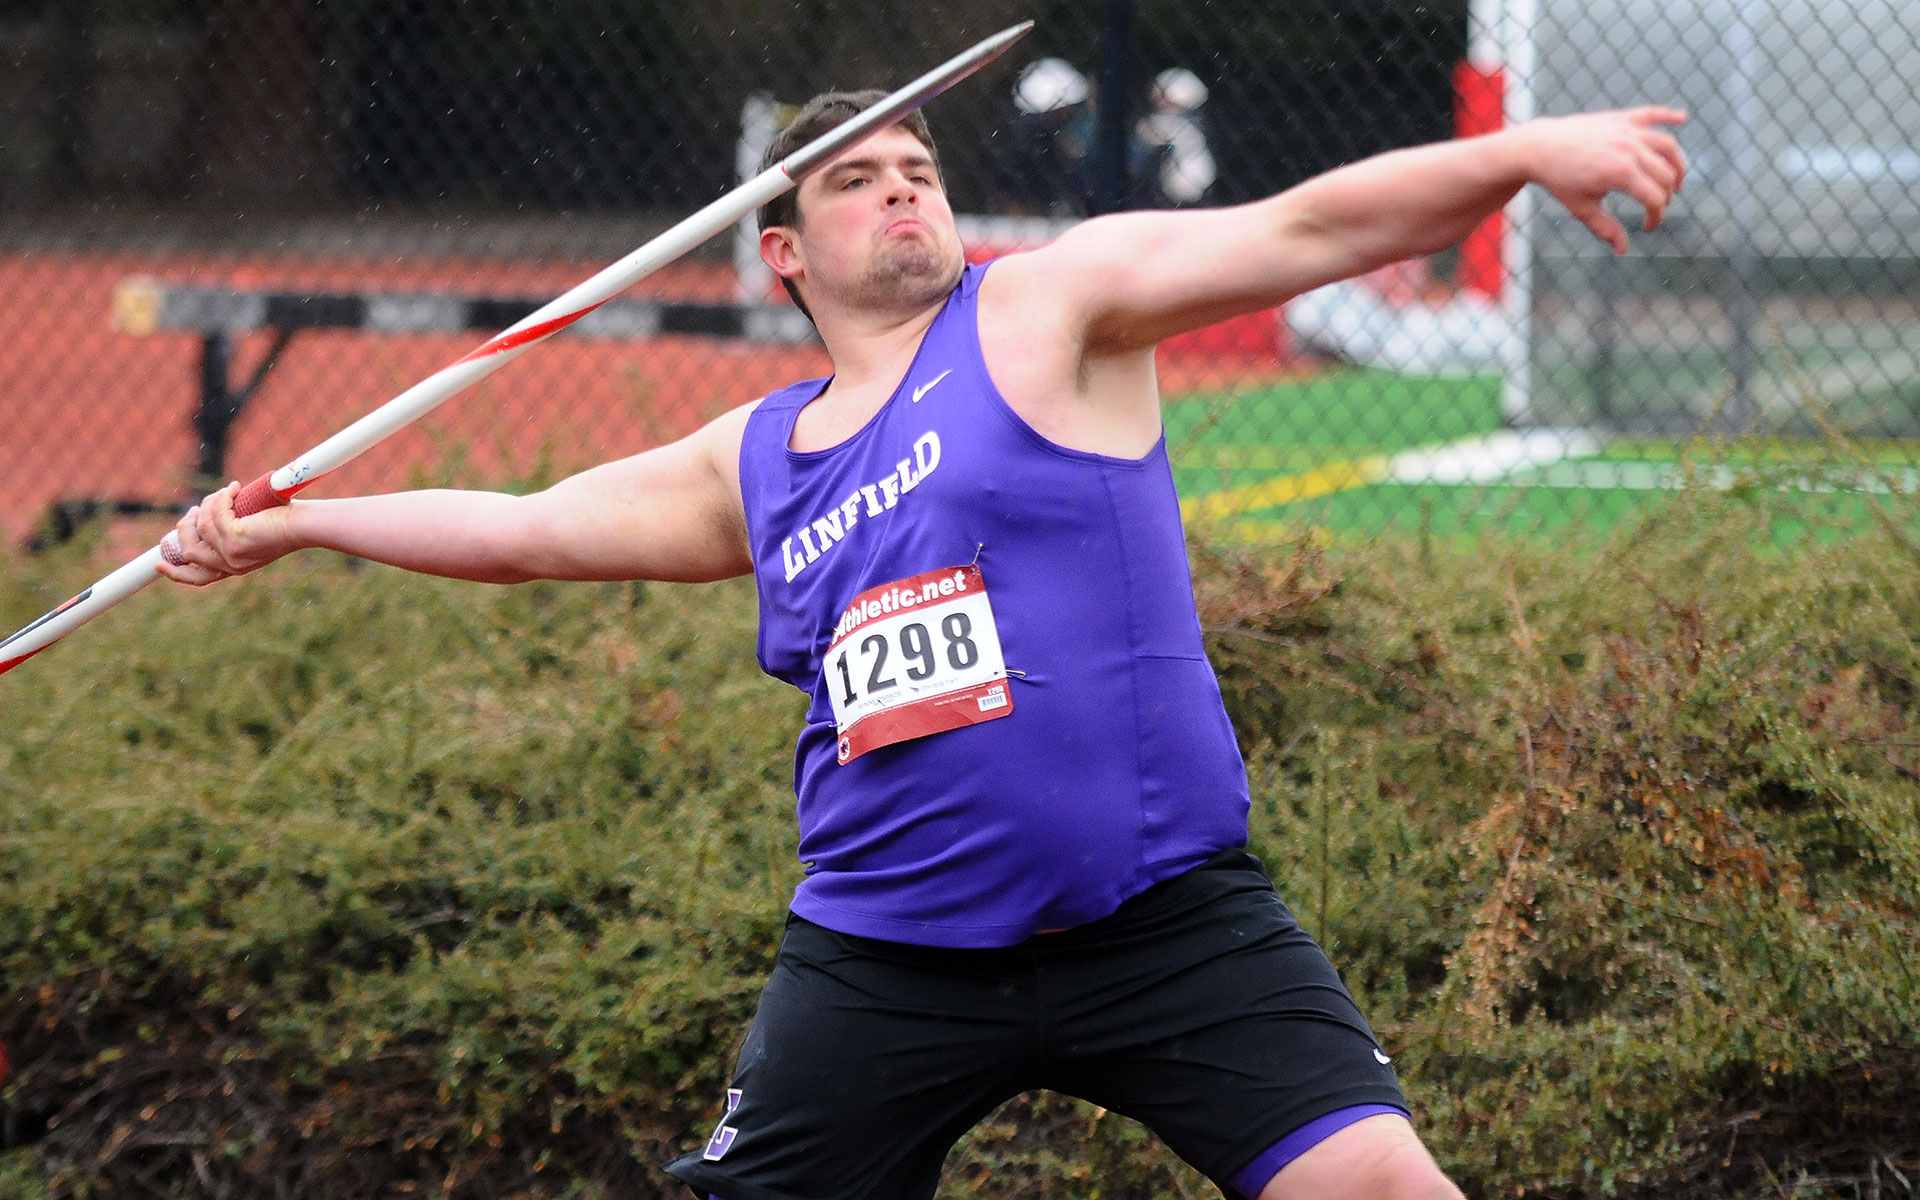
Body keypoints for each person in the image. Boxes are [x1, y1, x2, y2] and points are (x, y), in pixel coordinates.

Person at [160, 89, 1686, 1200]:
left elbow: (1303, 230)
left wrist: (1518, 154)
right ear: (783, 253)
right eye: (857, 182)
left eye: (919, 170)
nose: (903, 193)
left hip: (1164, 922)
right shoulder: (752, 458)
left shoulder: (1045, 311)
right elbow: (530, 527)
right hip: (886, 954)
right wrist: (301, 523)